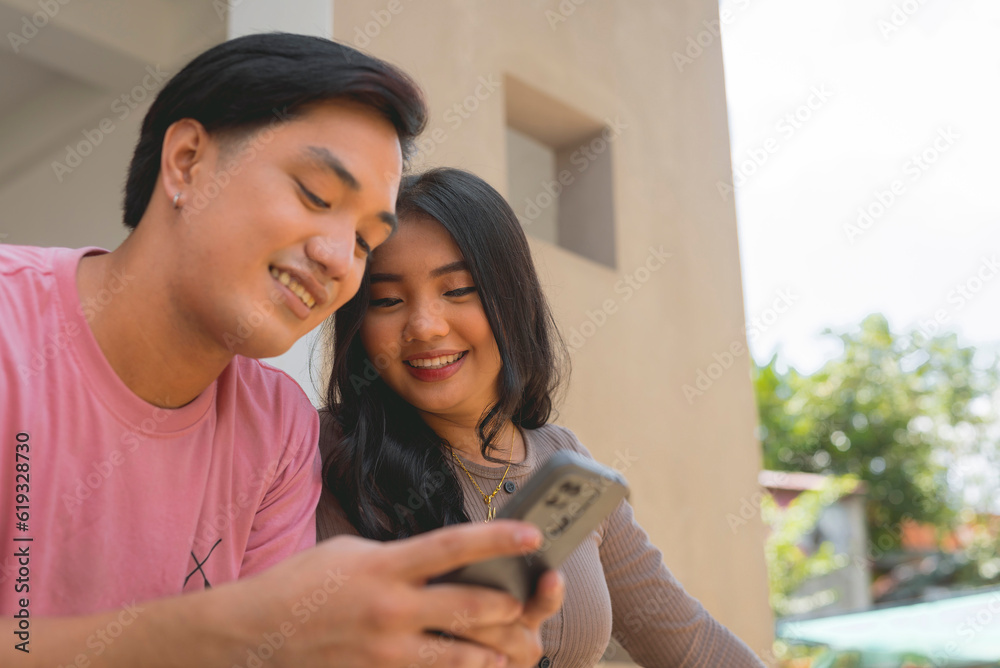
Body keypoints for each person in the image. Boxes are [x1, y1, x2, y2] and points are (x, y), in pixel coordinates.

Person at [0, 34, 563, 667]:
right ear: (187, 162)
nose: (334, 258)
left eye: (361, 242)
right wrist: (238, 628)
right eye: (316, 196)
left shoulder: (280, 433)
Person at [317, 167, 766, 667]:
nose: (424, 326)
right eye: (386, 300)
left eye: (458, 289)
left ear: (511, 299)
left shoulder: (562, 458)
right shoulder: (322, 454)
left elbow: (688, 641)